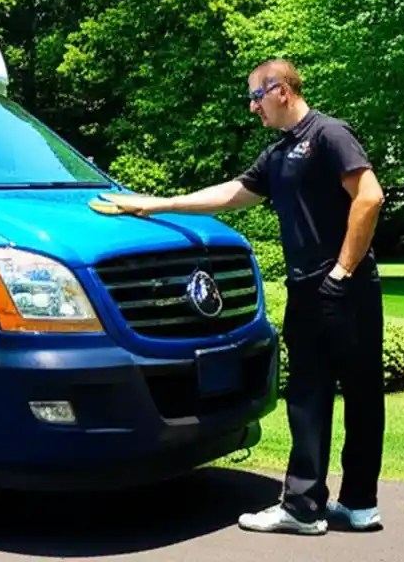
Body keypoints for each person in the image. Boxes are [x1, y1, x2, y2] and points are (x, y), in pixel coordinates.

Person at [101, 59, 387, 535]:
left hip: (345, 287)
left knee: (354, 395)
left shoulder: (329, 134)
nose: (253, 107)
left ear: (281, 90)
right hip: (309, 287)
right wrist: (158, 204)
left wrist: (342, 270)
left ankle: (345, 504)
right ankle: (318, 505)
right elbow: (234, 192)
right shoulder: (279, 153)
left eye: (256, 96)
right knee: (311, 395)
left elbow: (370, 197)